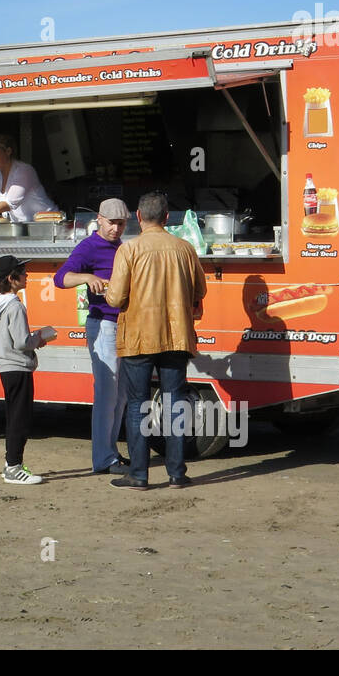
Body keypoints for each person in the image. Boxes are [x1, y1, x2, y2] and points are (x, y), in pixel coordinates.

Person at [104, 190, 207, 490]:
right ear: (167, 218)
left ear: (137, 217)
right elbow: (199, 291)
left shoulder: (129, 250)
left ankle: (139, 474)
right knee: (175, 402)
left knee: (138, 405)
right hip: (176, 337)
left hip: (138, 338)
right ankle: (176, 473)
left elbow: (115, 298)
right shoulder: (185, 249)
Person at [53, 197, 131, 474]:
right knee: (107, 394)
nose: (116, 229)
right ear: (99, 219)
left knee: (120, 396)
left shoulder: (122, 247)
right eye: (112, 223)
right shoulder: (88, 247)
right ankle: (104, 458)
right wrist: (86, 278)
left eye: (121, 224)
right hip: (103, 326)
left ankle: (110, 453)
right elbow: (61, 278)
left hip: (122, 325)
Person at [0, 255, 55, 485]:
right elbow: (22, 342)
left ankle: (11, 463)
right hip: (18, 367)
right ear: (11, 278)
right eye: (22, 272)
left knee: (14, 416)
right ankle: (14, 466)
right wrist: (39, 338)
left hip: (5, 366)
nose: (27, 275)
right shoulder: (15, 305)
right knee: (19, 419)